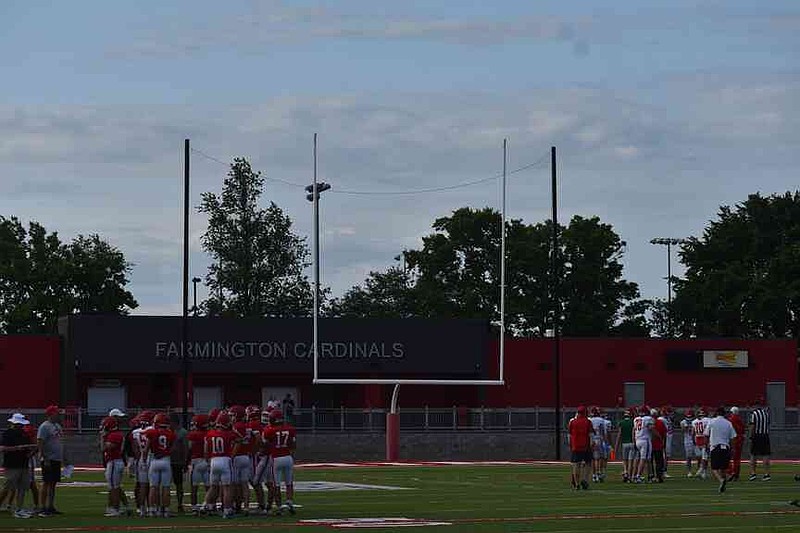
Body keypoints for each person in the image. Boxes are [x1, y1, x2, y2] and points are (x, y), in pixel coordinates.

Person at [2, 414, 38, 518]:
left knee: (22, 488)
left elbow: (30, 447)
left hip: (24, 463)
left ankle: (19, 508)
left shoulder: (24, 434)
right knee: (7, 487)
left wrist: (31, 450)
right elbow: (3, 448)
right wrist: (18, 448)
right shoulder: (8, 434)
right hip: (12, 464)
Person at [263, 409, 297, 514]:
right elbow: (293, 445)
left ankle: (278, 506)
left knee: (276, 484)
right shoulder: (290, 429)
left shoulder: (269, 430)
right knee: (289, 482)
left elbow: (265, 444)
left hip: (276, 458)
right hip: (288, 457)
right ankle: (290, 502)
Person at [203, 412, 237, 519]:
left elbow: (205, 449)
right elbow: (240, 440)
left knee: (213, 487)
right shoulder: (229, 433)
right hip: (225, 459)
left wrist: (207, 460)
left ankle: (206, 506)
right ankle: (227, 510)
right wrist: (232, 454)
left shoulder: (210, 434)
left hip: (213, 460)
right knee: (227, 487)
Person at [143, 413, 175, 517]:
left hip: (154, 460)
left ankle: (152, 510)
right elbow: (172, 448)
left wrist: (143, 461)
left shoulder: (151, 432)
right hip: (166, 460)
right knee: (166, 487)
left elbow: (146, 448)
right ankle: (165, 510)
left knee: (153, 487)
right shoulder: (171, 433)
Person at [37, 405, 64, 517]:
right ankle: (42, 507)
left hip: (56, 458)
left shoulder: (57, 426)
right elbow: (40, 442)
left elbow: (59, 441)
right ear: (51, 414)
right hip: (49, 458)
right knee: (46, 482)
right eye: (57, 413)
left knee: (53, 483)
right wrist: (44, 457)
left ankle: (50, 506)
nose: (58, 415)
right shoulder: (44, 426)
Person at [703, 406, 737, 493]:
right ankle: (723, 484)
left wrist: (706, 446)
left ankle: (721, 480)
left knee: (714, 468)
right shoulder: (728, 423)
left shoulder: (712, 421)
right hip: (725, 447)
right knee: (723, 468)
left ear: (717, 413)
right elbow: (733, 437)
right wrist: (733, 449)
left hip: (715, 447)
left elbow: (706, 435)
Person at [100, 416, 127, 517]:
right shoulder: (115, 434)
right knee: (113, 486)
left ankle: (115, 509)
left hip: (115, 462)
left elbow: (104, 448)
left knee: (114, 487)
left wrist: (102, 437)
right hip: (115, 462)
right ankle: (112, 507)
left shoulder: (114, 435)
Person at [187, 414, 210, 515]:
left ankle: (194, 507)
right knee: (208, 487)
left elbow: (190, 448)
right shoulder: (209, 433)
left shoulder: (193, 434)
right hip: (207, 461)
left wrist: (186, 461)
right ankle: (209, 505)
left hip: (195, 462)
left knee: (194, 487)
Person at [567, 406, 594, 490]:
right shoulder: (588, 422)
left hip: (576, 446)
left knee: (576, 465)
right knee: (588, 463)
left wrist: (571, 445)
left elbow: (569, 436)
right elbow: (591, 435)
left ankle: (577, 483)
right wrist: (592, 444)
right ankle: (585, 479)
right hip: (586, 446)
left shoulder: (572, 422)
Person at [169, 414, 189, 514]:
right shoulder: (169, 431)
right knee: (166, 484)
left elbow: (185, 448)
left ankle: (180, 504)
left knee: (179, 484)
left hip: (177, 461)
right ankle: (166, 505)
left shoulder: (182, 432)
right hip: (168, 460)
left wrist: (185, 462)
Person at [748, 397, 771, 481]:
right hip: (765, 435)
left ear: (755, 405)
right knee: (765, 455)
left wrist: (751, 436)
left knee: (753, 455)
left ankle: (753, 473)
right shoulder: (766, 413)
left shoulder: (754, 414)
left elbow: (752, 426)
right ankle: (766, 473)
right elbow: (767, 424)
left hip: (757, 436)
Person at [632, 406, 655, 484]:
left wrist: (634, 441)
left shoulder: (636, 419)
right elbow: (651, 428)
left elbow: (634, 431)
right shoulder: (648, 419)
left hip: (638, 439)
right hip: (645, 440)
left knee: (647, 459)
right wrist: (658, 436)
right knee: (644, 459)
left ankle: (650, 476)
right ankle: (638, 476)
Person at [614, 407, 635, 483]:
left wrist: (616, 446)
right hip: (632, 443)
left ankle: (626, 472)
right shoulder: (633, 422)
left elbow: (619, 435)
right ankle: (629, 476)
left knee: (625, 460)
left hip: (624, 443)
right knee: (630, 461)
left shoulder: (621, 422)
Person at [588, 406, 607, 482]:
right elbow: (603, 431)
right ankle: (598, 474)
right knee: (598, 458)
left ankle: (594, 475)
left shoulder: (589, 420)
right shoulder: (601, 420)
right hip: (599, 439)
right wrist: (605, 441)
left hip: (591, 440)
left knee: (593, 459)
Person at [727, 406, 745, 481]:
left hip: (732, 440)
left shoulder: (730, 419)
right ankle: (736, 474)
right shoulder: (740, 420)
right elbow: (743, 430)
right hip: (740, 440)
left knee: (727, 457)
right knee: (737, 459)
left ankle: (730, 472)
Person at [691, 408, 710, 479]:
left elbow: (693, 432)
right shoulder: (707, 420)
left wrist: (693, 440)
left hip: (698, 438)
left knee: (703, 457)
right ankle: (702, 470)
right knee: (704, 457)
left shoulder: (694, 421)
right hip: (703, 438)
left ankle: (702, 470)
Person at [651, 408, 667, 483]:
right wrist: (664, 443)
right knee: (659, 462)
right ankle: (659, 476)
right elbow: (664, 434)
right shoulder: (660, 422)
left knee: (650, 462)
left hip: (650, 444)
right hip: (659, 444)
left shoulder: (648, 422)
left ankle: (651, 476)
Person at [680, 409, 696, 477]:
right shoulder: (683, 422)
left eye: (690, 416)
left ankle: (700, 470)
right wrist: (686, 427)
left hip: (696, 440)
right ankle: (689, 471)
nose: (689, 417)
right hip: (688, 440)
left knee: (699, 456)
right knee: (688, 457)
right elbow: (683, 430)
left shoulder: (695, 421)